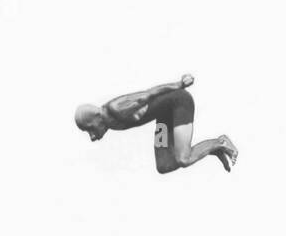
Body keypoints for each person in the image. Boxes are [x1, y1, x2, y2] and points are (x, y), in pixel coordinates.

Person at [74, 74, 238, 175]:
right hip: (164, 116)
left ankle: (221, 142)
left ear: (96, 117)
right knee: (164, 165)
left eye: (90, 129)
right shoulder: (109, 122)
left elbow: (148, 94)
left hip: (179, 103)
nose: (93, 136)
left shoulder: (116, 109)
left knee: (183, 158)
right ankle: (212, 148)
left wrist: (179, 84)